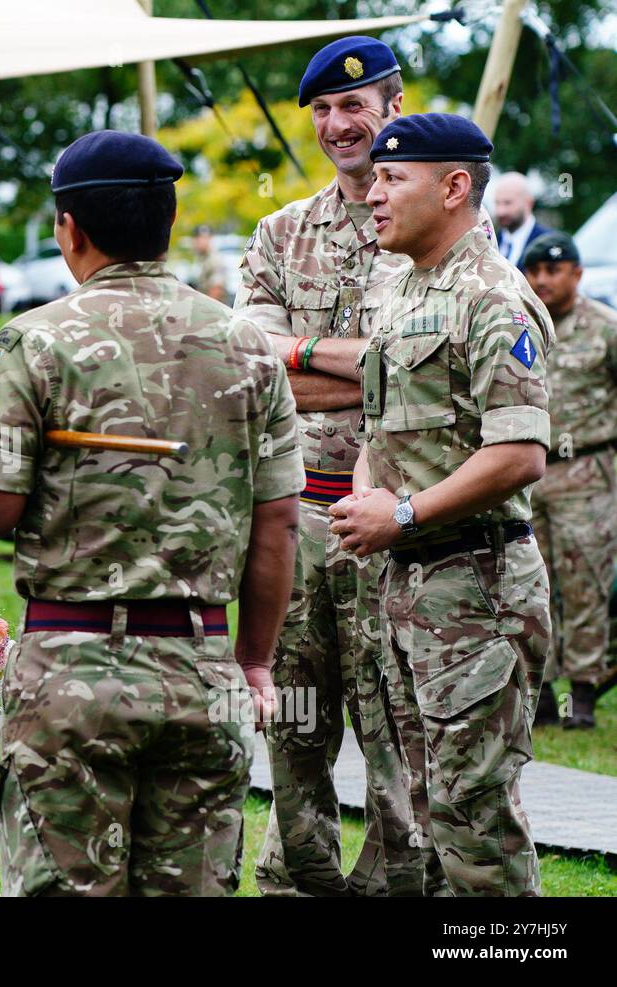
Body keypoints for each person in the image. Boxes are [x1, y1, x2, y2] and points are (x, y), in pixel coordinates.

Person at [0, 130, 304, 896]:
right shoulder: (248, 345)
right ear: (167, 221)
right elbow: (279, 524)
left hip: (73, 669)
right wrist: (256, 661)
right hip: (205, 667)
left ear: (69, 228)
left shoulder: (34, 340)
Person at [330, 113, 553, 897]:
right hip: (406, 587)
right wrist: (367, 489)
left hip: (476, 585)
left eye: (394, 180)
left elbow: (519, 451)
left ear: (455, 187)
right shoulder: (401, 288)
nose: (374, 195)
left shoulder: (492, 296)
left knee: (474, 814)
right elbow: (383, 420)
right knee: (428, 808)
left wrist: (405, 512)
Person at [234, 35, 423, 897]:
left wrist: (305, 351)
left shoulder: (432, 223)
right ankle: (299, 877)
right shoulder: (279, 233)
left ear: (393, 107)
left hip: (402, 522)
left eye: (354, 106)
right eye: (322, 111)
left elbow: (424, 364)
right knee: (295, 723)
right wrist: (362, 363)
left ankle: (401, 882)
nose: (338, 126)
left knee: (398, 723)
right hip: (297, 522)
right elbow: (252, 364)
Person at [523, 231, 617, 730]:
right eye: (535, 271)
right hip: (528, 473)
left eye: (553, 271)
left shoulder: (605, 328)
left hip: (588, 473)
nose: (542, 280)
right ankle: (541, 693)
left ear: (576, 274)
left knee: (585, 583)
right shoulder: (521, 322)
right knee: (533, 583)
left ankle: (582, 695)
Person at [495, 172, 550, 270]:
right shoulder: (490, 242)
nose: (501, 211)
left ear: (528, 203)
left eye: (508, 203)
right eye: (497, 203)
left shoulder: (548, 242)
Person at [190, 225, 227, 301]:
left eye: (205, 238)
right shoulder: (201, 257)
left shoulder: (215, 259)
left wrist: (203, 309)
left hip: (213, 308)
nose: (202, 241)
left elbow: (217, 289)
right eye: (199, 238)